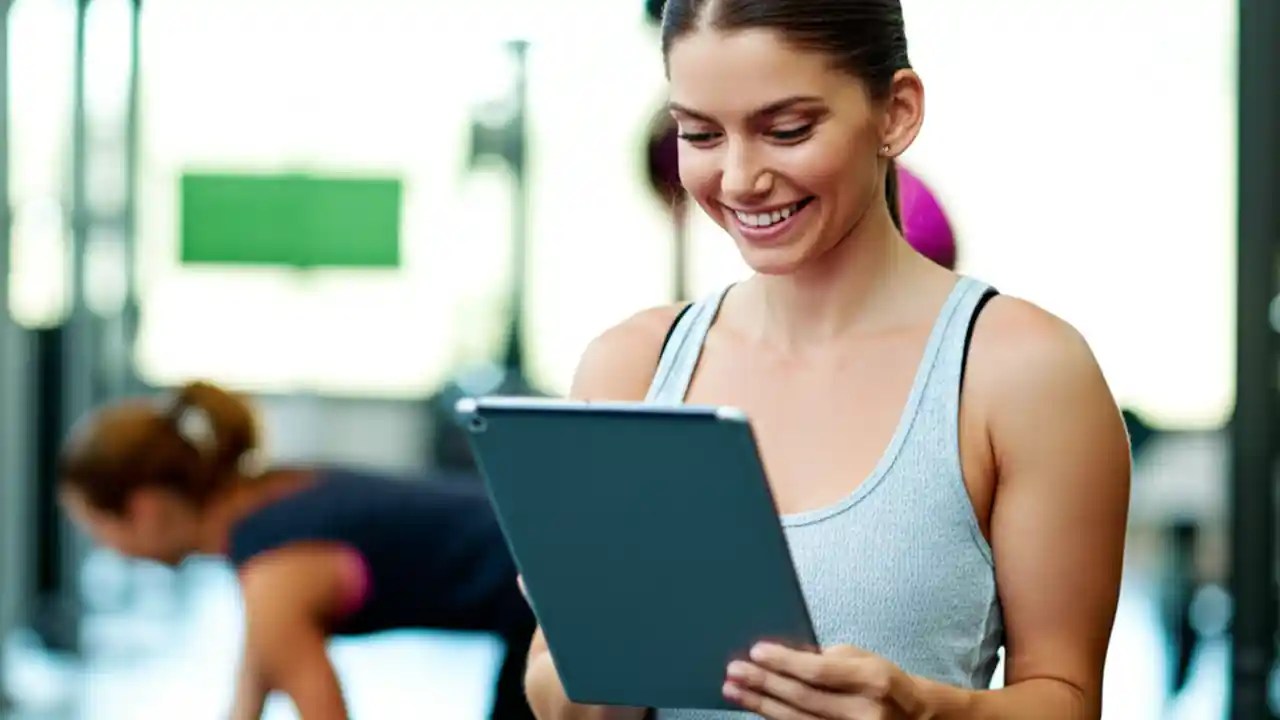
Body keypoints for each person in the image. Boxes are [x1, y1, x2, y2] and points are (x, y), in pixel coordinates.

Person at [525, 1, 1131, 718]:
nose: (740, 179)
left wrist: (927, 709)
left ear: (897, 112)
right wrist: (594, 637)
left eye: (787, 130)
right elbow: (561, 697)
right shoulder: (630, 368)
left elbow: (1066, 698)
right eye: (701, 134)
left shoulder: (1022, 373)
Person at [57, 381, 535, 720]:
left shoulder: (272, 571)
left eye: (98, 528)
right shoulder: (269, 504)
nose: (107, 549)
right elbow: (249, 691)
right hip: (535, 593)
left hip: (553, 595)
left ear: (144, 510)